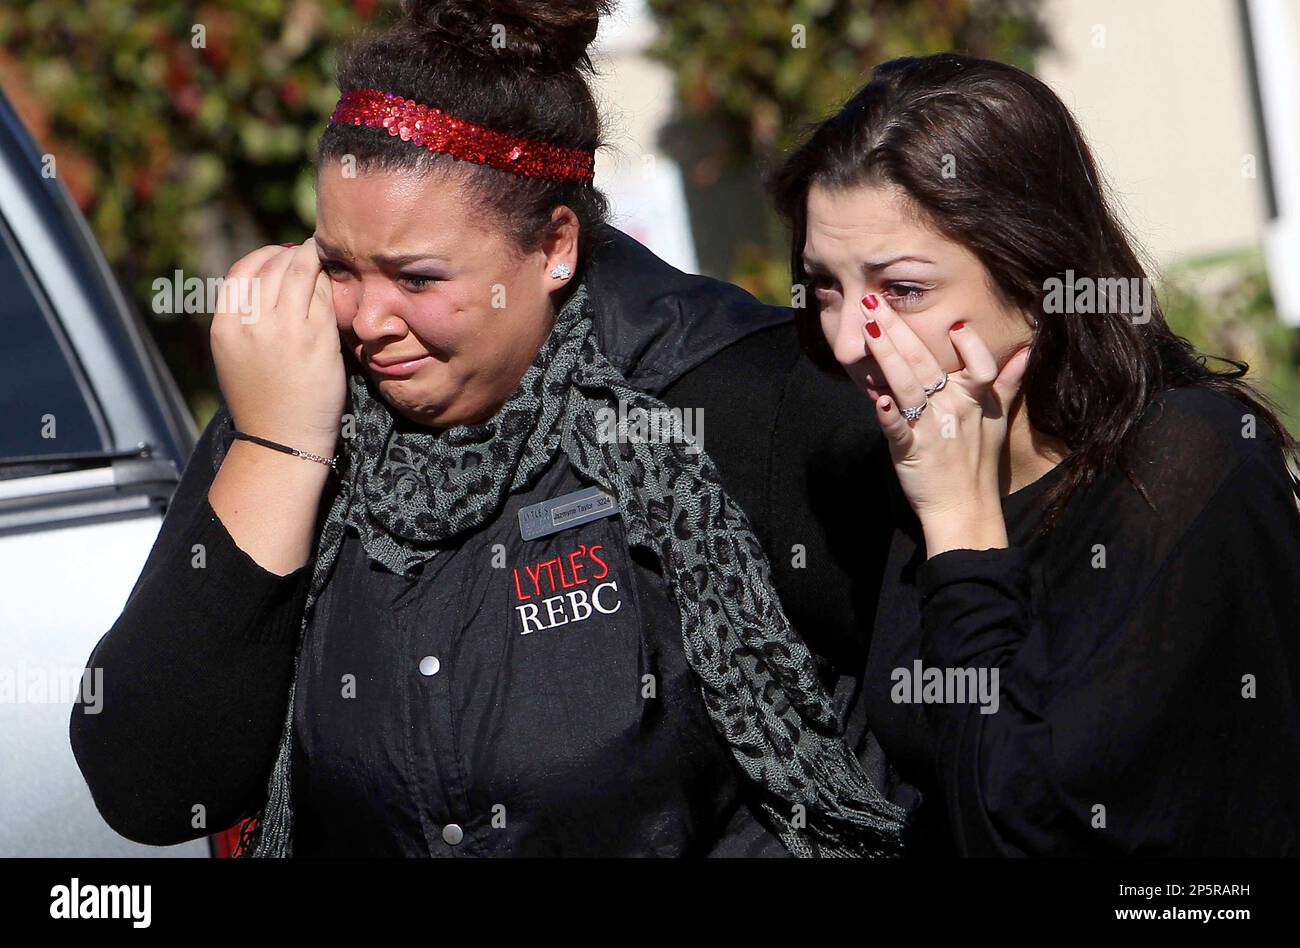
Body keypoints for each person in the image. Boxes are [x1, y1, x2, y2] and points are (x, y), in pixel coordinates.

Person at [69, 0, 907, 858]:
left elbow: (955, 737)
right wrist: (276, 451)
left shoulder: (727, 400)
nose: (367, 320)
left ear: (553, 250)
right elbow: (151, 786)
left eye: (417, 278)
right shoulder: (301, 394)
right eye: (338, 267)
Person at [769, 52, 1300, 856]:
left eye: (903, 289)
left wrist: (961, 528)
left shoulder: (1186, 465)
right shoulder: (911, 448)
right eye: (828, 286)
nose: (850, 339)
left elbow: (1025, 821)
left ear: (1037, 275)